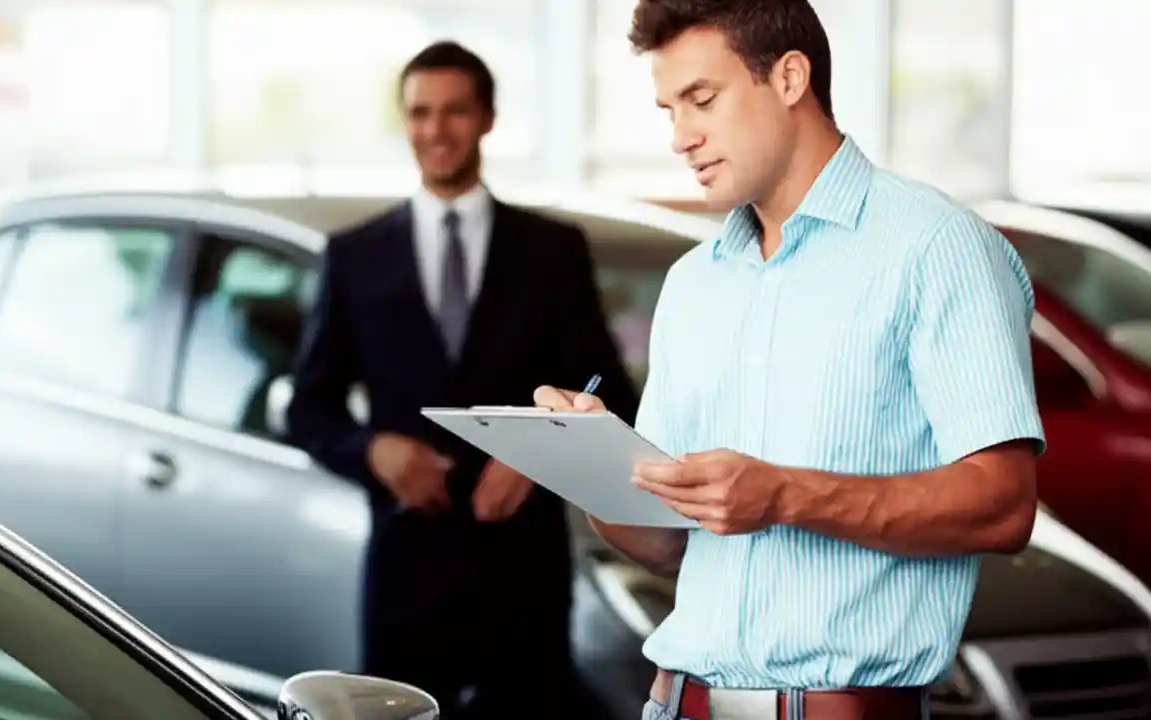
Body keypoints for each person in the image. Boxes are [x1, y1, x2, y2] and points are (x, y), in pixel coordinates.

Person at [534, 2, 1044, 718]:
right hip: (675, 704)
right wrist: (593, 466)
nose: (681, 137)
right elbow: (664, 546)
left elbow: (1003, 504)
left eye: (701, 100)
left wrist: (784, 495)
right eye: (668, 110)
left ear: (790, 77)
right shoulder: (693, 283)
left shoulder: (936, 248)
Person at [286, 40, 638, 719]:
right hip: (405, 577)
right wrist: (373, 451)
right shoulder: (353, 256)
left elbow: (604, 385)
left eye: (454, 112)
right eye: (420, 113)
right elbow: (308, 407)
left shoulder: (552, 251)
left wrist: (541, 451)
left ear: (486, 119)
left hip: (525, 579)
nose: (436, 130)